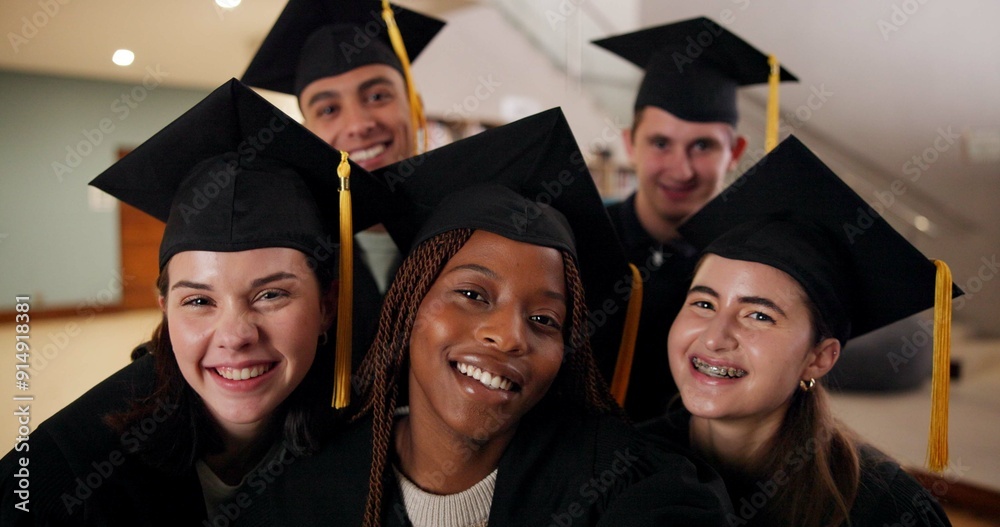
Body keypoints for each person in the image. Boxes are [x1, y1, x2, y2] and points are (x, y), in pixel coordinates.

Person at [229, 108, 733, 526]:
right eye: (473, 293)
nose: (509, 335)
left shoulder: (622, 481)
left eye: (544, 320)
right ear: (408, 301)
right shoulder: (300, 490)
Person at [0, 79, 387, 525]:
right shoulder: (67, 471)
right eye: (200, 300)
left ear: (326, 305)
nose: (236, 335)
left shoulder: (359, 432)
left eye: (271, 295)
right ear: (164, 307)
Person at [643, 136, 957, 526]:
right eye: (704, 304)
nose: (714, 337)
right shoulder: (624, 462)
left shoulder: (886, 511)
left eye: (759, 315)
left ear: (819, 357)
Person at [591, 17, 797, 421]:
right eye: (661, 143)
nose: (681, 169)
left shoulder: (757, 266)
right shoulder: (580, 236)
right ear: (630, 144)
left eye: (702, 146)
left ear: (735, 151)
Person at [242, 0, 446, 374]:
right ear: (309, 131)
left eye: (377, 96)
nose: (358, 124)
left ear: (414, 105)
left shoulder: (469, 226)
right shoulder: (287, 252)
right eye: (329, 110)